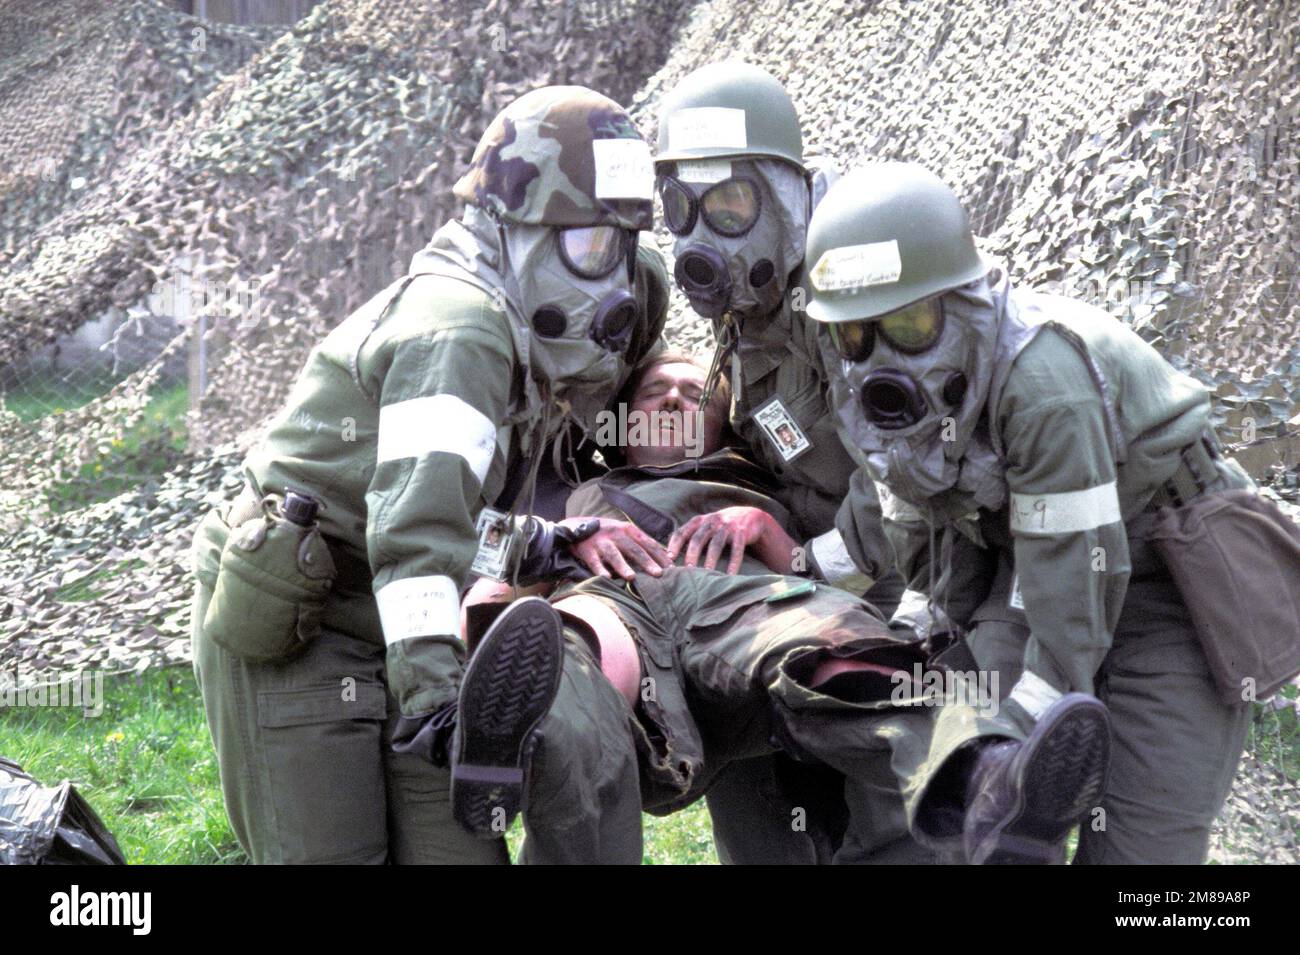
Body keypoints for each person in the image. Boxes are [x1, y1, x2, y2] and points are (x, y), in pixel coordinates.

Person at [190, 85, 673, 864]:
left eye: (622, 245)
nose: (613, 278)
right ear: (515, 231)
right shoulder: (463, 329)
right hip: (305, 613)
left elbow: (450, 504)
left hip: (409, 610)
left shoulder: (535, 315)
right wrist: (443, 707)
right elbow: (418, 531)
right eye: (589, 248)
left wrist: (540, 543)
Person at [459, 352, 1113, 864]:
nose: (676, 397)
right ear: (624, 426)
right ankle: (500, 748)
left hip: (740, 601)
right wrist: (489, 604)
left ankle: (988, 781)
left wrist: (783, 544)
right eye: (656, 390)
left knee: (838, 646)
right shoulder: (576, 498)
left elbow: (861, 548)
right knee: (578, 663)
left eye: (696, 392)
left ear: (725, 427)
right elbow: (494, 575)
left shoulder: (765, 484)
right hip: (612, 605)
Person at [804, 161, 1259, 863]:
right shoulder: (874, 395)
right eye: (858, 334)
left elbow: (1080, 572)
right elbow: (930, 528)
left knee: (1141, 851)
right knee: (974, 813)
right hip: (1029, 569)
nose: (880, 356)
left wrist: (1026, 729)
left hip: (1167, 582)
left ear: (961, 304)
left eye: (909, 324)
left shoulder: (1043, 382)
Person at [651, 60, 907, 863]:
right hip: (813, 583)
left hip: (907, 585)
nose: (703, 235)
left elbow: (909, 483)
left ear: (787, 189)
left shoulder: (857, 282)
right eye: (681, 207)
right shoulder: (752, 308)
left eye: (728, 203)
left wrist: (800, 556)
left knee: (896, 811)